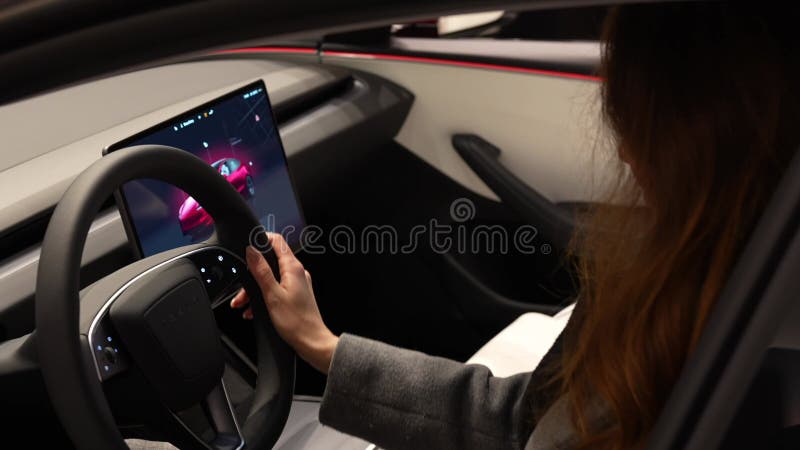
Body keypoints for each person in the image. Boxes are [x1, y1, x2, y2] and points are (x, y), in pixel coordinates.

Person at [231, 3, 800, 449]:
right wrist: (323, 346)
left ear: (700, 137)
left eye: (638, 122)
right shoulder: (710, 278)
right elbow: (513, 422)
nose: (624, 152)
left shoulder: (747, 343)